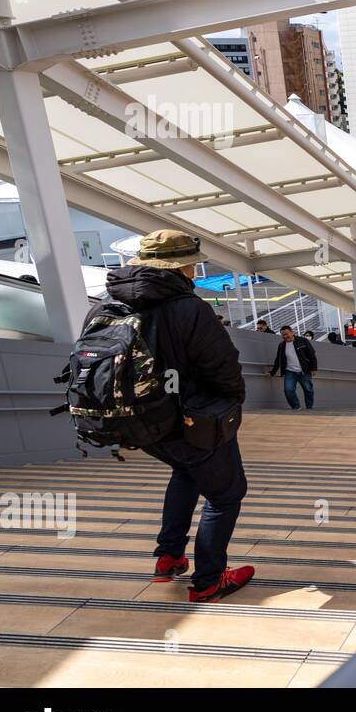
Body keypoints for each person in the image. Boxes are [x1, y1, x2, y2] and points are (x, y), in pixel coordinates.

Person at [102, 230, 253, 603]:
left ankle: (169, 556)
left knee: (185, 470)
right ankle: (209, 581)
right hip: (189, 421)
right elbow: (224, 369)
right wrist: (230, 408)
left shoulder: (108, 306)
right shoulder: (190, 308)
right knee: (225, 493)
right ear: (184, 266)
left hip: (136, 423)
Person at [269, 325, 317, 410]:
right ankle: (296, 407)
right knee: (288, 390)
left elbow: (312, 355)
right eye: (283, 335)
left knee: (308, 390)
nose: (285, 336)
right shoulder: (282, 345)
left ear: (292, 332)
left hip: (304, 371)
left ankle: (309, 408)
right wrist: (272, 372)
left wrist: (313, 368)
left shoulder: (303, 341)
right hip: (290, 371)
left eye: (286, 334)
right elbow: (278, 360)